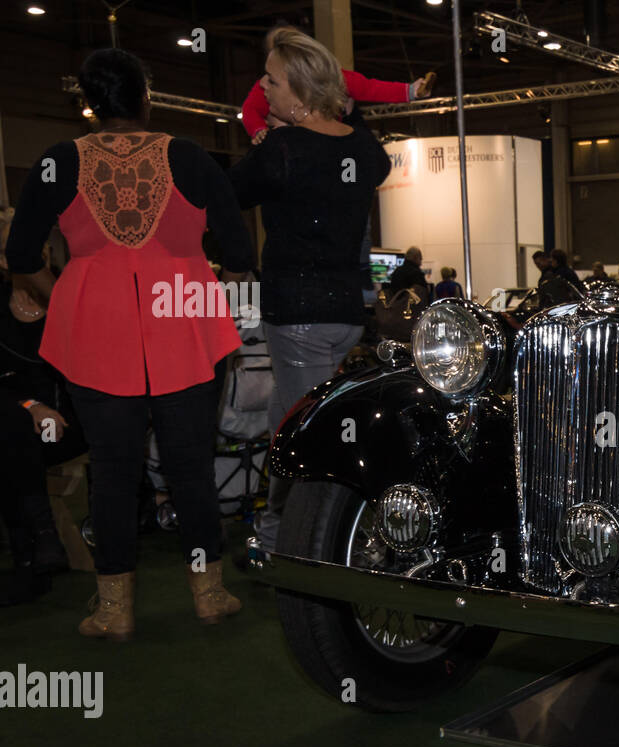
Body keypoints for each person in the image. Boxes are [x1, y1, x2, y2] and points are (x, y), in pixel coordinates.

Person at [5, 48, 254, 638]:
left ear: (87, 103)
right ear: (146, 95)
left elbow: (19, 255)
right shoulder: (190, 156)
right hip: (186, 321)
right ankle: (209, 593)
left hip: (95, 328)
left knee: (113, 472)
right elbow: (241, 252)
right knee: (191, 466)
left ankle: (114, 609)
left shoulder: (56, 161)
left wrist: (54, 292)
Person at [229, 27, 392, 551]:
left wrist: (279, 133)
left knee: (307, 433)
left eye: (272, 80)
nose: (263, 87)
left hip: (297, 312)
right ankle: (276, 532)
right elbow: (370, 158)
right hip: (347, 310)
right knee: (289, 416)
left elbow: (228, 194)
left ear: (296, 89)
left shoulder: (282, 150)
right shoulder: (364, 149)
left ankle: (310, 544)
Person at [0, 210, 86, 605]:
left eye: (40, 249)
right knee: (12, 426)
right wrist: (32, 406)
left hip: (70, 422)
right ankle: (41, 545)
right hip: (23, 423)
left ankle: (30, 554)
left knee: (10, 432)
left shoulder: (69, 298)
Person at [243, 63, 434, 145]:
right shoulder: (269, 84)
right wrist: (258, 130)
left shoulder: (335, 78)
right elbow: (250, 109)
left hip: (331, 148)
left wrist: (409, 91)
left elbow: (370, 88)